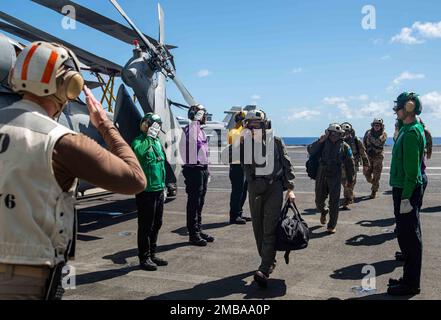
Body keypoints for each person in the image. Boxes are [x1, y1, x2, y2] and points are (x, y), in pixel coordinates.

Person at [0, 42, 146, 300]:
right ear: (69, 85)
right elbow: (135, 179)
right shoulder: (61, 141)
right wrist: (105, 125)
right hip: (27, 276)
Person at [234, 109, 296, 288]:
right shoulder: (243, 143)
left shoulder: (275, 141)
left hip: (274, 188)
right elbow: (228, 156)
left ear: (264, 124)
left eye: (257, 125)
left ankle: (265, 267)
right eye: (250, 125)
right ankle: (268, 260)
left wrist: (290, 189)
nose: (254, 128)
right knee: (258, 229)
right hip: (255, 189)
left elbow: (287, 164)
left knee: (269, 227)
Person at [388, 92, 426, 296]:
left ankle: (411, 284)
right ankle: (408, 278)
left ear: (409, 107)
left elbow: (412, 173)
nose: (396, 110)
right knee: (406, 235)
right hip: (403, 188)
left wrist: (406, 198)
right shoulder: (408, 128)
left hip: (406, 189)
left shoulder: (411, 133)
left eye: (400, 107)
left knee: (410, 238)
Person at [132, 113, 168, 271]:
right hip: (145, 191)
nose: (157, 129)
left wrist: (164, 185)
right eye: (154, 126)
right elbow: (139, 153)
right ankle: (144, 257)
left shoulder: (157, 142)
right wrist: (148, 137)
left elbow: (161, 164)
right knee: (145, 225)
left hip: (158, 189)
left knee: (157, 223)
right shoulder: (138, 141)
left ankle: (152, 254)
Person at [308, 124, 355, 234]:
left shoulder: (344, 146)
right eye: (331, 133)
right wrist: (320, 141)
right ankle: (323, 212)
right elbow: (310, 150)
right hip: (322, 173)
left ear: (340, 134)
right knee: (319, 201)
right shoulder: (322, 142)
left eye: (336, 134)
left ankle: (331, 225)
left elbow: (350, 163)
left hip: (335, 174)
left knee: (334, 202)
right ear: (328, 133)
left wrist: (350, 178)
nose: (333, 136)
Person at [180, 104, 214, 246]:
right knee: (194, 203)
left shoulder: (201, 131)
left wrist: (208, 170)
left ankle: (198, 230)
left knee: (200, 202)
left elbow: (204, 152)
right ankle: (193, 234)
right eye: (203, 114)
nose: (205, 117)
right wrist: (196, 120)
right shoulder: (190, 130)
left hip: (202, 169)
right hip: (193, 170)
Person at [227, 111, 251, 225]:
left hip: (244, 166)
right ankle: (234, 215)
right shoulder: (234, 131)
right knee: (237, 191)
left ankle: (239, 213)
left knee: (243, 191)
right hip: (236, 166)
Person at [340, 122, 370, 210]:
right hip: (342, 166)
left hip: (353, 165)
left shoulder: (356, 140)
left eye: (347, 132)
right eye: (344, 132)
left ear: (350, 131)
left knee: (351, 182)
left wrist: (366, 164)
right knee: (344, 183)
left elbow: (363, 153)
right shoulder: (338, 140)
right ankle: (349, 195)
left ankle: (347, 200)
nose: (345, 134)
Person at [363, 119, 388, 199]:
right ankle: (374, 183)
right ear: (372, 125)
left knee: (376, 175)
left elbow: (378, 142)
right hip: (369, 156)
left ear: (381, 126)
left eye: (378, 125)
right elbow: (364, 142)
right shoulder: (368, 132)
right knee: (367, 174)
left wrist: (370, 138)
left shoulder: (384, 134)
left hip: (378, 157)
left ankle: (374, 191)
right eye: (375, 125)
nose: (376, 126)